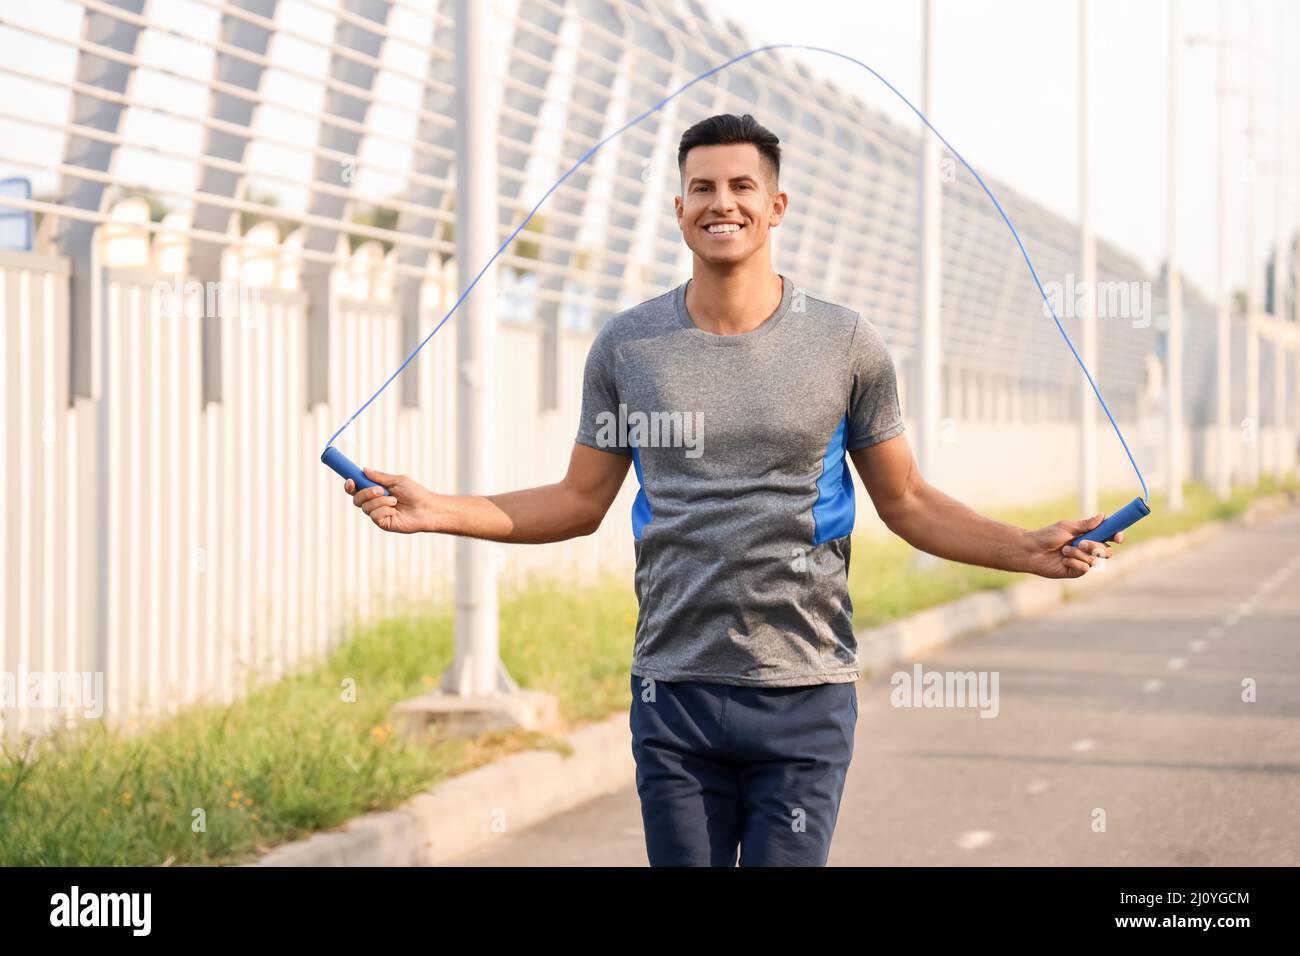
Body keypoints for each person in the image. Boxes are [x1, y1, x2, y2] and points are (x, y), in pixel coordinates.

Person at [341, 113, 1125, 867]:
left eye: (743, 187)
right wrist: (436, 509)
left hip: (805, 691)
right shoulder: (628, 347)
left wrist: (1028, 549)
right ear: (678, 208)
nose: (724, 203)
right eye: (704, 188)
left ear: (775, 206)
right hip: (673, 693)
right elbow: (579, 503)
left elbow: (908, 500)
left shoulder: (845, 343)